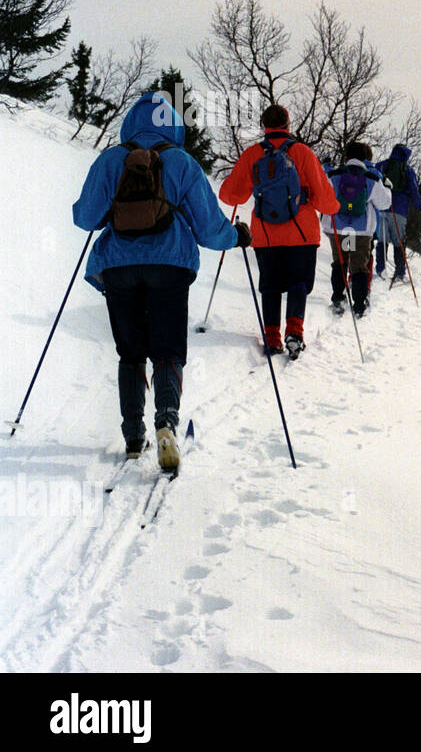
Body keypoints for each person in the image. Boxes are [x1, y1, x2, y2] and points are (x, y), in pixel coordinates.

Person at [73, 93, 250, 470]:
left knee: (130, 351)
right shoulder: (182, 162)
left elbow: (86, 218)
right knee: (168, 350)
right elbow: (210, 229)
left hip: (118, 267)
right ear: (172, 124)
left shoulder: (111, 159)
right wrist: (238, 236)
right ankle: (166, 422)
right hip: (170, 265)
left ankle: (133, 436)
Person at [219, 104, 338, 358]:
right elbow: (325, 200)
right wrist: (334, 205)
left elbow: (229, 195)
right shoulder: (303, 153)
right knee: (299, 282)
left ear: (264, 126)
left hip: (265, 234)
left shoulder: (253, 154)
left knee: (270, 284)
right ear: (288, 124)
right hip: (302, 233)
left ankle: (272, 337)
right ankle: (294, 332)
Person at [322, 141, 392, 317]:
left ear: (347, 157)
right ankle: (359, 304)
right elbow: (384, 203)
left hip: (339, 227)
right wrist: (388, 189)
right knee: (359, 265)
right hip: (361, 230)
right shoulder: (371, 179)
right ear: (365, 158)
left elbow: (324, 198)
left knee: (340, 262)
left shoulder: (334, 175)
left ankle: (338, 298)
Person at [374, 144, 421, 283]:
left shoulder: (381, 166)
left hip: (382, 207)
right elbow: (414, 190)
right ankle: (400, 271)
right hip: (399, 210)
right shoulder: (408, 170)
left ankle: (381, 268)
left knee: (382, 240)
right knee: (398, 241)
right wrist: (419, 205)